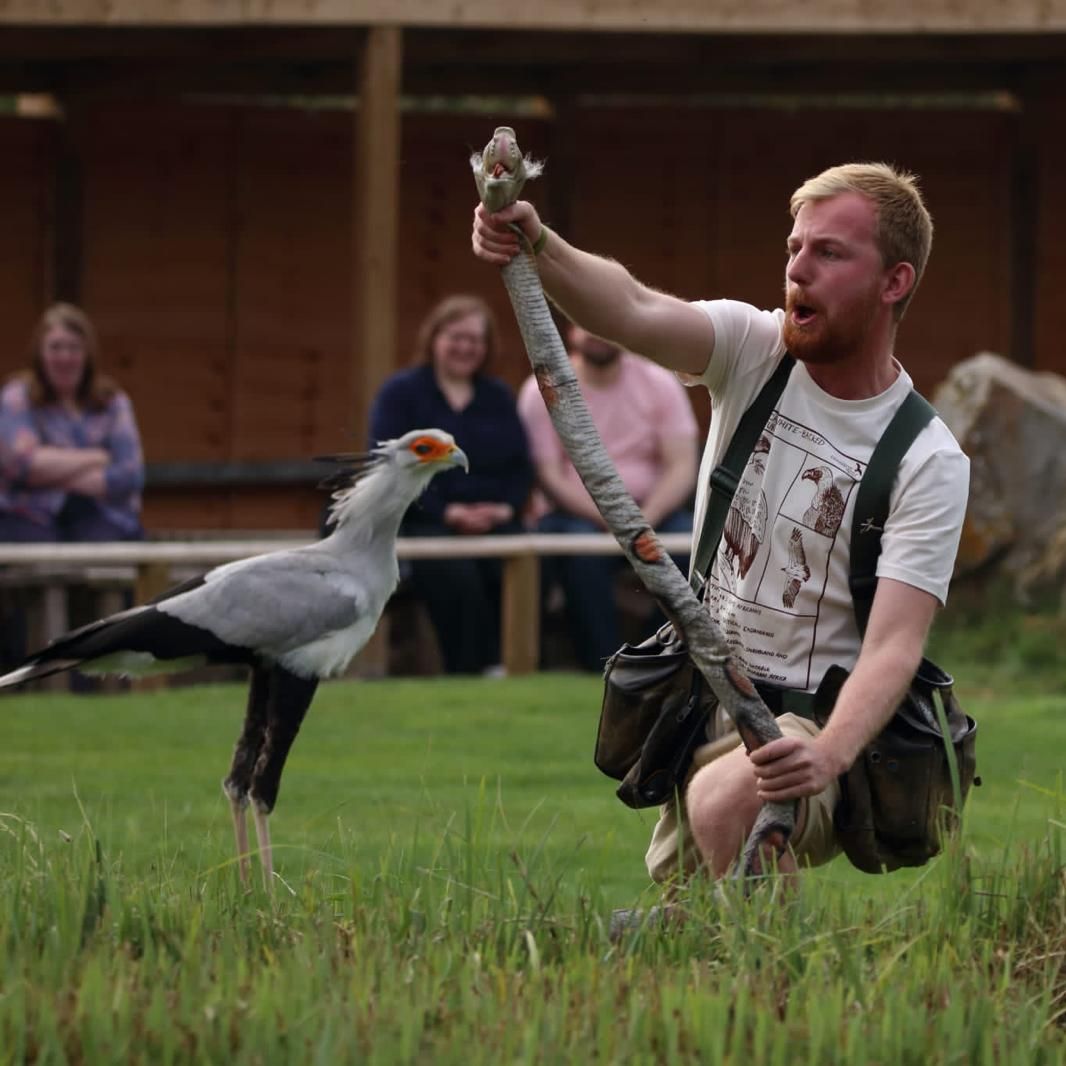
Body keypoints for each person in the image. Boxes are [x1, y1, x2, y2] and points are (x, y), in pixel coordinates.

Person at [472, 162, 969, 885]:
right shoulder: (753, 352)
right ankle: (781, 988)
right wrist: (540, 243)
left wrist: (826, 753)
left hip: (823, 724)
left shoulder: (926, 457)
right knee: (692, 928)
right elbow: (633, 307)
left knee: (720, 803)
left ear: (894, 281)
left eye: (829, 253)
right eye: (794, 249)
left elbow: (895, 644)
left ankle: (771, 976)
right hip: (704, 699)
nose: (799, 270)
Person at [369, 294, 532, 675]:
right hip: (423, 516)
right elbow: (388, 468)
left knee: (520, 568)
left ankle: (518, 667)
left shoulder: (497, 397)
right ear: (434, 339)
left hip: (495, 519)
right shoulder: (400, 393)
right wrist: (448, 511)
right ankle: (475, 670)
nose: (465, 347)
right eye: (455, 337)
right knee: (456, 572)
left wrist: (505, 508)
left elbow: (521, 468)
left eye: (475, 340)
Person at [518, 322, 698, 670]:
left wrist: (643, 518)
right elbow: (548, 475)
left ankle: (656, 662)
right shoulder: (542, 388)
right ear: (571, 332)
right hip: (576, 516)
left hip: (652, 513)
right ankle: (603, 665)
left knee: (693, 549)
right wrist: (610, 519)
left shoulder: (658, 382)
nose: (597, 333)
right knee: (579, 556)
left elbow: (682, 465)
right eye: (586, 326)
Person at [0, 303, 145, 543]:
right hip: (26, 516)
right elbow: (22, 464)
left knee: (103, 547)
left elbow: (129, 476)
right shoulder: (17, 397)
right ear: (40, 352)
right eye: (56, 347)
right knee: (35, 550)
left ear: (87, 353)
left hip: (100, 517)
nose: (65, 357)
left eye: (74, 348)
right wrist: (96, 457)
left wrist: (51, 473)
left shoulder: (112, 402)